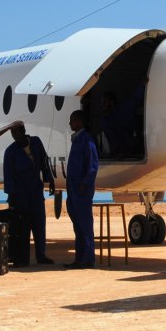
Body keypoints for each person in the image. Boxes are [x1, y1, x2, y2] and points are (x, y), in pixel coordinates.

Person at [3, 120, 56, 265]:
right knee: (23, 228)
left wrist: (50, 179)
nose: (15, 136)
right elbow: (8, 176)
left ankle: (41, 255)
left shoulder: (36, 142)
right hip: (20, 195)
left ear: (24, 131)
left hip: (36, 191)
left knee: (39, 224)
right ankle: (23, 258)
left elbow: (44, 161)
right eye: (12, 134)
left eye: (17, 133)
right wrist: (12, 199)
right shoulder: (10, 151)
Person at [65, 109, 98, 269]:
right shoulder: (77, 139)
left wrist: (84, 184)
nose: (70, 123)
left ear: (79, 121)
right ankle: (79, 258)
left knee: (84, 226)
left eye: (72, 120)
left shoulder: (86, 140)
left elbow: (93, 165)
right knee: (78, 226)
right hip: (73, 190)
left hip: (81, 191)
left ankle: (87, 258)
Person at [100, 81, 146, 158]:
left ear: (112, 102)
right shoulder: (105, 120)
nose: (102, 105)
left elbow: (134, 98)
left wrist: (142, 85)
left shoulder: (124, 110)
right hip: (117, 155)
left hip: (132, 153)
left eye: (104, 102)